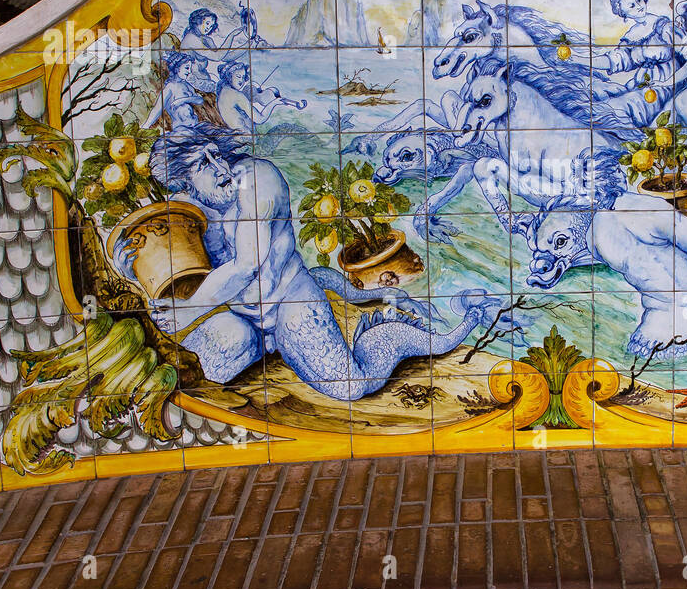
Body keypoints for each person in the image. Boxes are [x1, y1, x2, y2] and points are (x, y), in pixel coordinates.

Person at [137, 125, 500, 397]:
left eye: (217, 154)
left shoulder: (258, 180)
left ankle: (393, 333)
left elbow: (248, 264)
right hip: (238, 312)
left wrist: (189, 309)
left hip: (288, 299)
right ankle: (261, 343)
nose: (220, 167)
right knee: (207, 370)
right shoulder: (184, 211)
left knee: (351, 387)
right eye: (204, 163)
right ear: (183, 182)